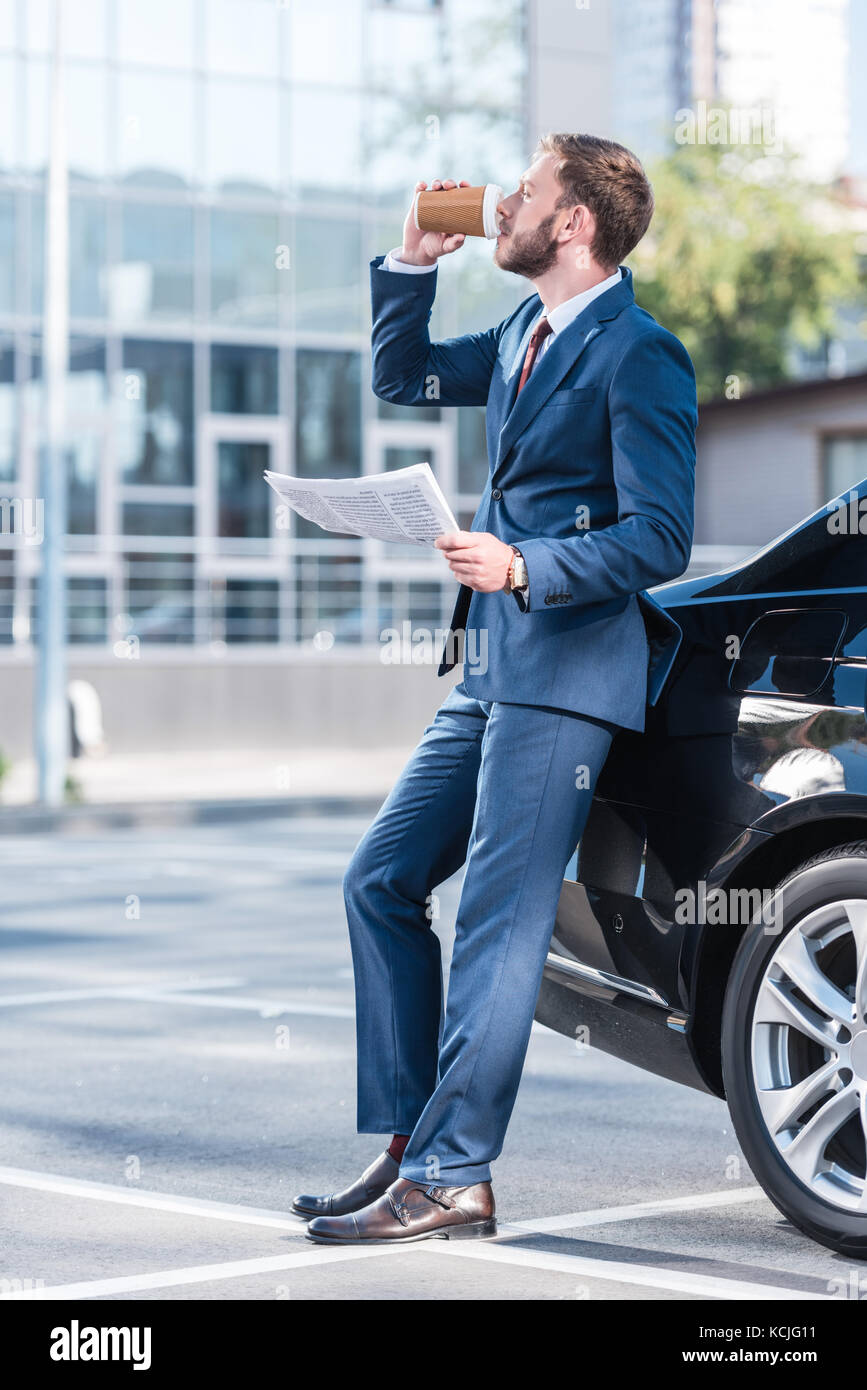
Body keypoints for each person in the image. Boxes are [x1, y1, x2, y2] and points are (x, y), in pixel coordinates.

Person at [295, 132, 697, 1245]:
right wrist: (412, 260)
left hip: (568, 673)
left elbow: (661, 535)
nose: (501, 206)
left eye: (524, 190)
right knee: (378, 879)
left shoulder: (641, 354)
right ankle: (407, 1148)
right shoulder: (524, 328)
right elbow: (402, 375)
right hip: (490, 667)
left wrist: (526, 565)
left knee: (497, 925)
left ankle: (455, 1174)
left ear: (574, 223)